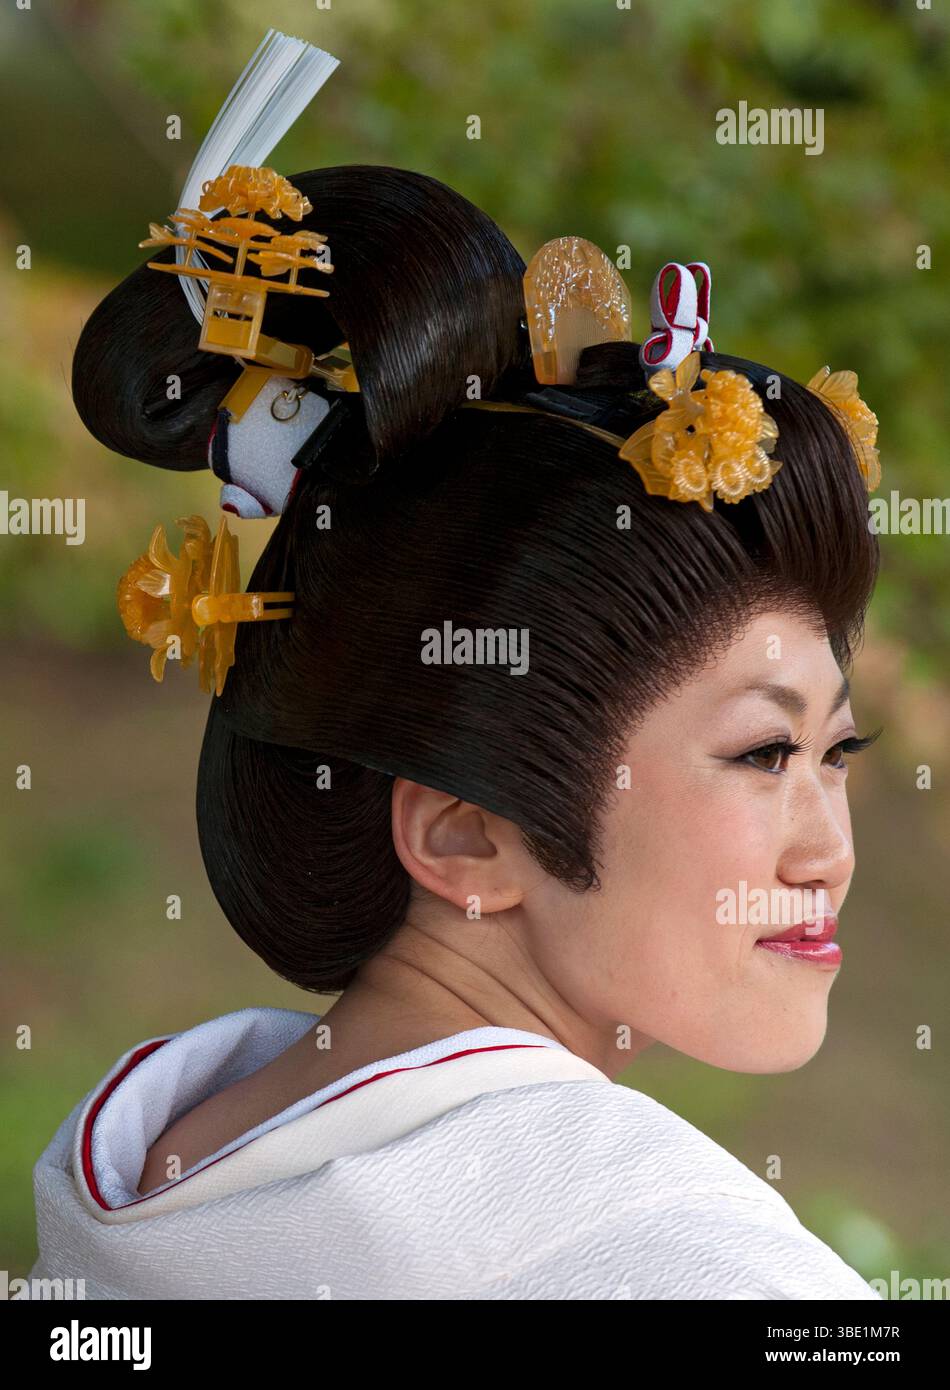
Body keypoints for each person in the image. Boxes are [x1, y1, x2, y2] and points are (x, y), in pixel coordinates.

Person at [20, 41, 886, 1301]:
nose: (827, 853)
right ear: (467, 832)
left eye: (834, 755)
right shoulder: (676, 1257)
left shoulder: (159, 1163)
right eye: (762, 753)